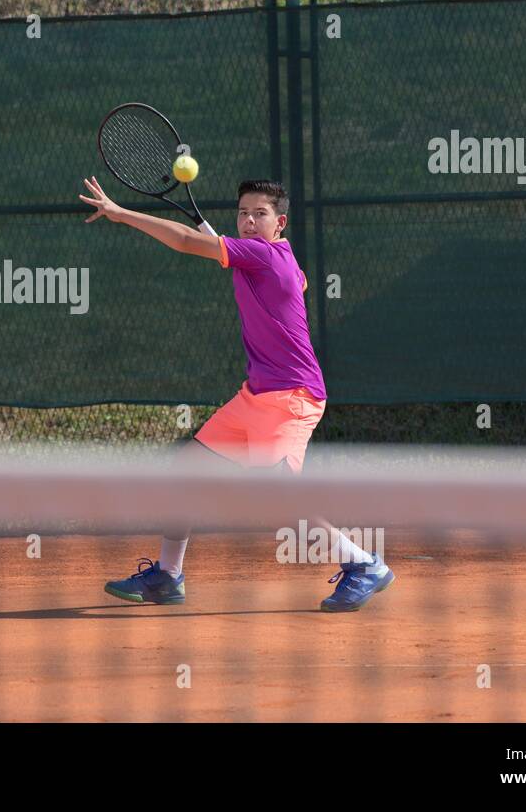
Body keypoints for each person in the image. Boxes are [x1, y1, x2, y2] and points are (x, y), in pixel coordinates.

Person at [78, 175, 394, 612]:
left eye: (259, 214)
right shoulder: (278, 257)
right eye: (242, 213)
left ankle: (364, 565)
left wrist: (120, 212)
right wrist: (229, 251)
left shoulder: (263, 256)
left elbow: (188, 242)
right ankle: (168, 576)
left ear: (279, 222)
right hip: (254, 398)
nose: (248, 220)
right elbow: (296, 284)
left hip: (291, 398)